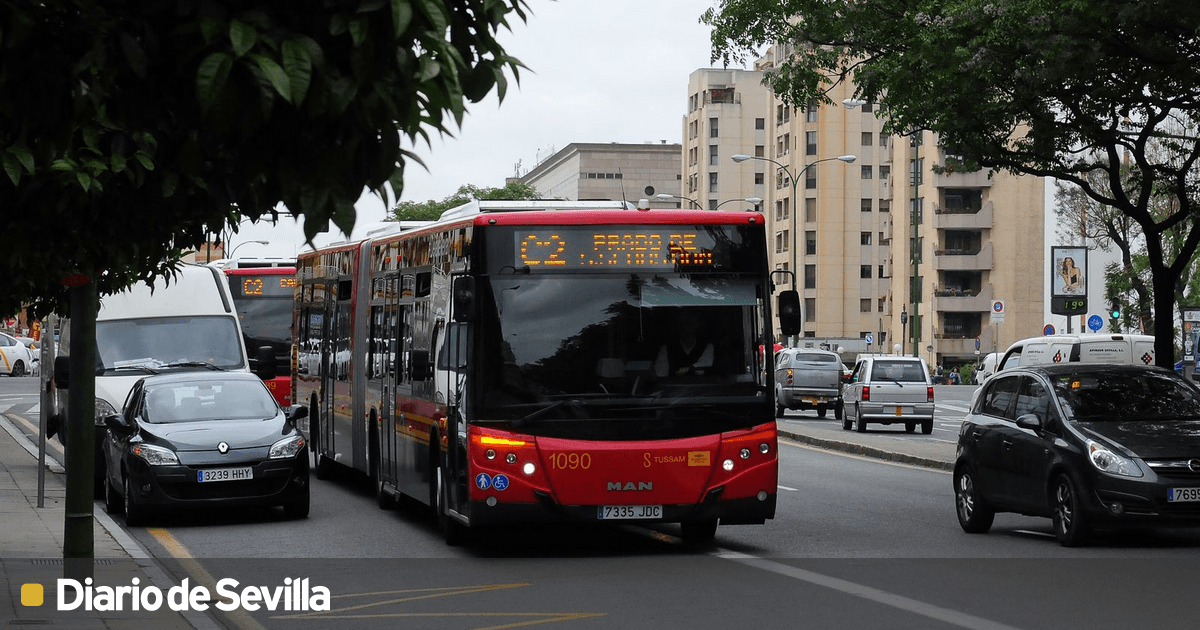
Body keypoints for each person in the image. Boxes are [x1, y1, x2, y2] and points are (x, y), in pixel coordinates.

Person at [655, 310, 714, 377]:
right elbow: (660, 374)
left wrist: (686, 369)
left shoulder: (706, 345)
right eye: (684, 322)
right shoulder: (667, 348)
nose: (687, 326)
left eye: (691, 323)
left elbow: (702, 368)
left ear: (698, 325)